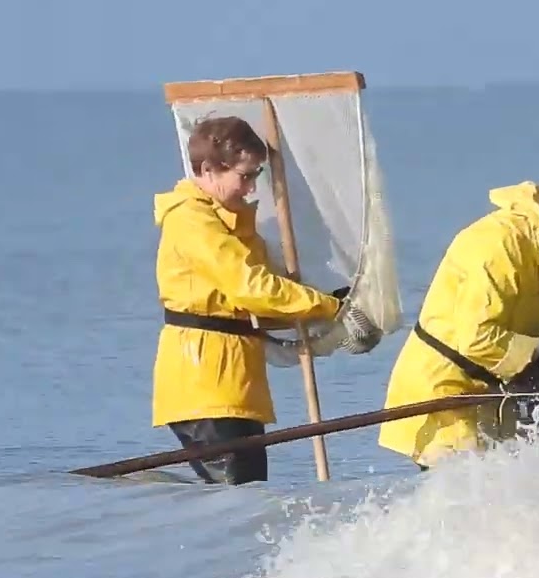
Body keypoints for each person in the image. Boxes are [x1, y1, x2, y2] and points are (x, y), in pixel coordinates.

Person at [151, 115, 375, 485]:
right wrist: (332, 308)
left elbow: (260, 302)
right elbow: (252, 287)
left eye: (257, 175)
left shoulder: (231, 222)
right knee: (237, 499)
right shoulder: (191, 220)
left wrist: (329, 309)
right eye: (245, 176)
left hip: (233, 383)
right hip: (204, 385)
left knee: (245, 497)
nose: (252, 188)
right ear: (208, 169)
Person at [376, 164, 539, 469]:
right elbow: (476, 339)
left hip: (491, 396)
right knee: (470, 495)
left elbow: (533, 326)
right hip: (443, 394)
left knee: (512, 489)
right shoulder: (500, 244)